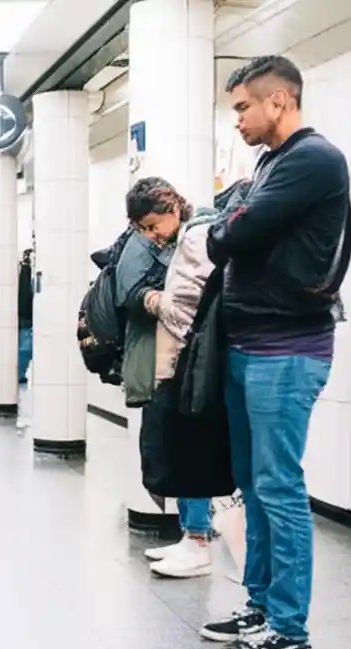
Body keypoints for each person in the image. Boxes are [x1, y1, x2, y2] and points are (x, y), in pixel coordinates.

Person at [201, 55, 350, 649]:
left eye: (242, 107)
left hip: (287, 350)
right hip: (251, 344)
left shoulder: (315, 160)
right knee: (255, 486)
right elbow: (228, 224)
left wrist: (228, 222)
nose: (236, 119)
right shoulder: (271, 163)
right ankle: (261, 605)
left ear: (279, 102)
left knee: (279, 488)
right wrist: (229, 220)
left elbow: (227, 234)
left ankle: (290, 628)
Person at [122, 177, 223, 579]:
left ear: (172, 207)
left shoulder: (195, 237)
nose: (151, 236)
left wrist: (151, 300)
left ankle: (197, 538)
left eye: (152, 225)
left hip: (189, 359)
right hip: (187, 358)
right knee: (181, 448)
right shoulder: (190, 235)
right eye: (143, 229)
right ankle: (190, 535)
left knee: (189, 449)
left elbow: (184, 306)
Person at [18, 248, 34, 384]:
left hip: (23, 315)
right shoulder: (27, 274)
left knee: (24, 348)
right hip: (26, 316)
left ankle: (19, 373)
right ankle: (20, 374)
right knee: (25, 348)